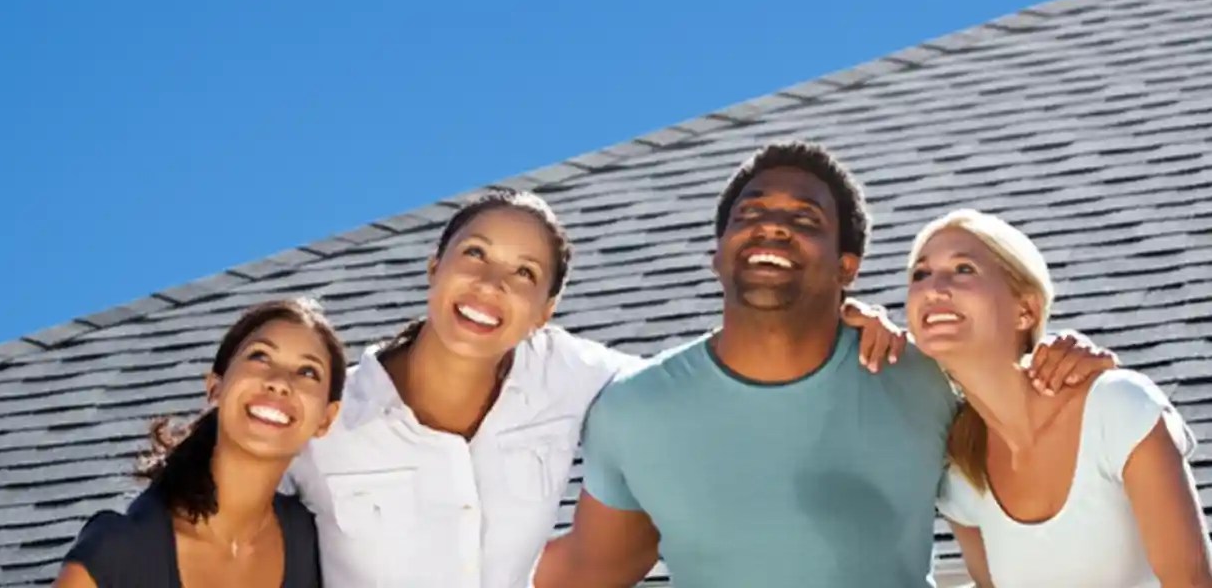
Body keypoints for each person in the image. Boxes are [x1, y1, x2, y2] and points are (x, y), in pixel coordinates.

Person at [534, 141, 1117, 588]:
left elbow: (1046, 480)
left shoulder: (925, 380)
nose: (774, 225)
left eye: (806, 219)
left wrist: (1069, 367)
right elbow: (588, 566)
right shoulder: (634, 408)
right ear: (717, 256)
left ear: (847, 268)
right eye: (750, 213)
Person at [281, 188, 907, 588]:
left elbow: (704, 387)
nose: (490, 284)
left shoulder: (570, 375)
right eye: (473, 255)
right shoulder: (327, 418)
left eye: (523, 273)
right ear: (433, 270)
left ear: (545, 310)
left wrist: (832, 316)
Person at [907, 208, 1212, 587]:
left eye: (964, 269)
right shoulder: (961, 474)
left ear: (1026, 310)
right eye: (920, 274)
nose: (934, 287)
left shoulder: (1115, 409)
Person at [54, 298, 346, 588]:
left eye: (308, 372)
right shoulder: (119, 554)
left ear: (326, 419)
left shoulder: (314, 543)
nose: (279, 382)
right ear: (215, 387)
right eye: (260, 357)